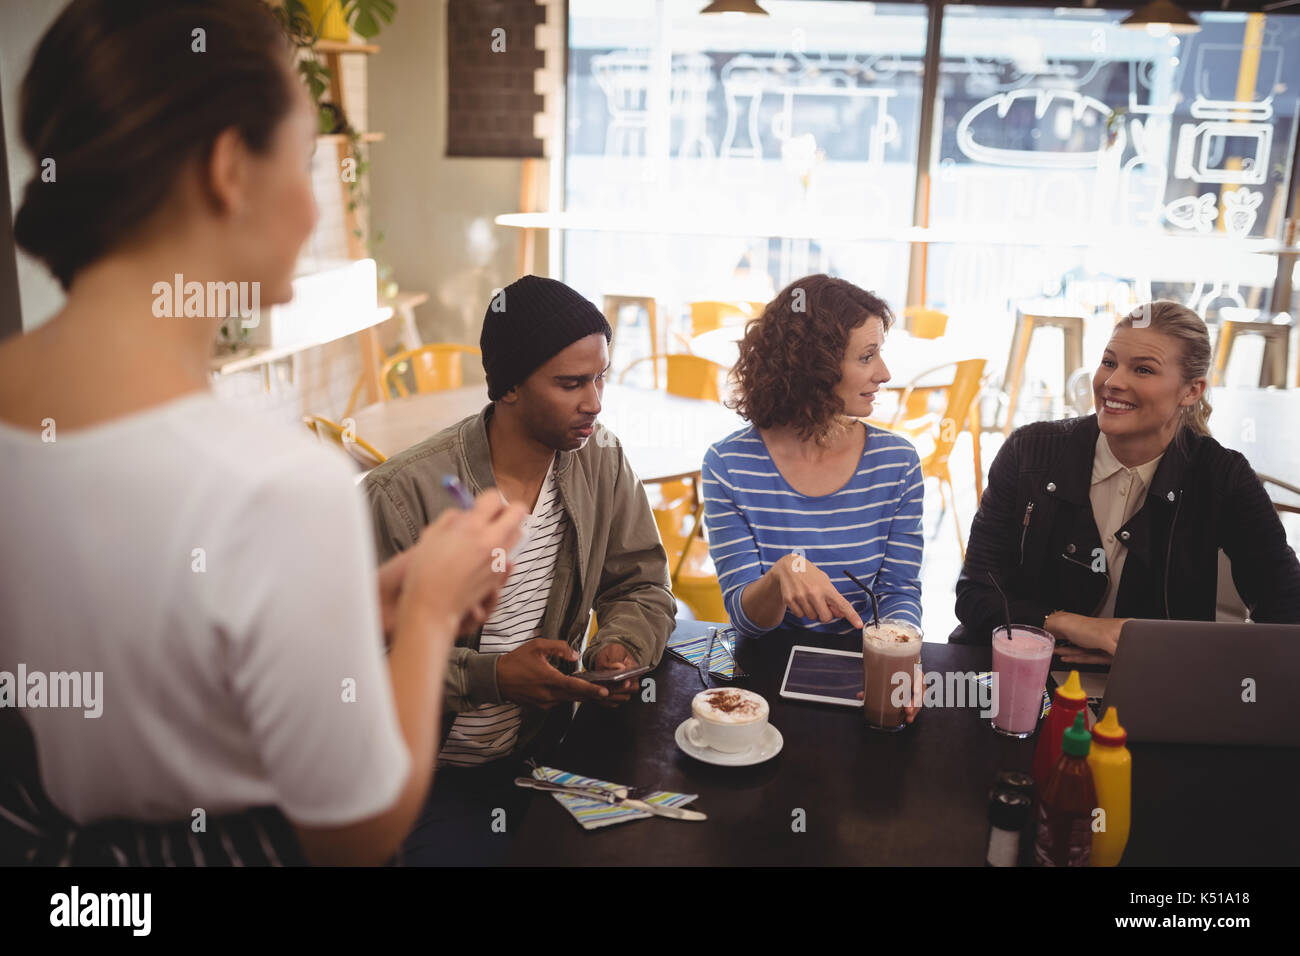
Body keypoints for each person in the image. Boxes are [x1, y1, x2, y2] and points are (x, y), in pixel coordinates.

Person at [0, 0, 525, 866]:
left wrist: (363, 602)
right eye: (307, 163)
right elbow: (356, 829)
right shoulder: (276, 487)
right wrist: (431, 612)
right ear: (229, 170)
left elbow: (138, 660)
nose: (315, 211)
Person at [363, 274, 675, 863]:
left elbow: (641, 584)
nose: (595, 400)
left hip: (546, 751)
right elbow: (354, 670)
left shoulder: (599, 459)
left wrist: (621, 646)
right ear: (507, 386)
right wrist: (496, 676)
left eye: (601, 376)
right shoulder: (402, 496)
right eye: (570, 383)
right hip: (423, 776)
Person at [956, 300, 1300, 655]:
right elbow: (974, 595)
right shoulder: (1030, 452)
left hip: (1156, 685)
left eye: (1143, 370)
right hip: (1026, 672)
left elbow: (1286, 606)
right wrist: (1067, 624)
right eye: (1109, 362)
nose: (1113, 382)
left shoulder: (1223, 476)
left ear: (1191, 390)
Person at [701, 276, 924, 715]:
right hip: (758, 686)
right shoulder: (729, 465)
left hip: (864, 674)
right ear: (814, 368)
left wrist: (899, 657)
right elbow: (745, 620)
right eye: (867, 356)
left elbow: (899, 590)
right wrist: (780, 577)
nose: (884, 373)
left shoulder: (897, 463)